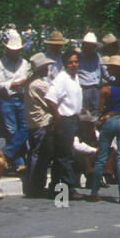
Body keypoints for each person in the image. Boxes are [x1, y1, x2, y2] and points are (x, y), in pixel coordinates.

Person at [86, 56, 120, 204]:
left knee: (101, 158)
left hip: (110, 120)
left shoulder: (106, 89)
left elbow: (99, 110)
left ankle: (94, 192)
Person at [45, 49, 84, 195]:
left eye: (76, 62)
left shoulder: (75, 77)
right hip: (65, 120)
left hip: (74, 119)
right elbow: (50, 98)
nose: (74, 65)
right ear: (64, 63)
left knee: (62, 154)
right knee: (66, 155)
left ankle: (55, 185)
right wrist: (57, 116)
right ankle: (69, 188)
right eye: (70, 62)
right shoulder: (62, 78)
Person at [0, 31, 31, 172]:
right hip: (6, 98)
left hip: (21, 98)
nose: (15, 53)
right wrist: (15, 84)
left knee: (24, 129)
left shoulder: (24, 63)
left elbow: (27, 79)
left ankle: (6, 154)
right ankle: (19, 161)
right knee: (11, 130)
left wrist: (17, 83)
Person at [23, 53, 56, 198]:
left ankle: (34, 185)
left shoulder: (31, 82)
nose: (48, 69)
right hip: (41, 122)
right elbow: (52, 101)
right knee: (40, 154)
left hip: (33, 123)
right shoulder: (39, 85)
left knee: (35, 153)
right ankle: (36, 185)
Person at [77, 33, 106, 115]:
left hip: (96, 89)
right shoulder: (78, 57)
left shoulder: (97, 56)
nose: (90, 48)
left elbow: (104, 72)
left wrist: (115, 81)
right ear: (83, 45)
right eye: (88, 46)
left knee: (96, 112)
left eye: (92, 46)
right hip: (84, 89)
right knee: (84, 113)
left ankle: (95, 127)